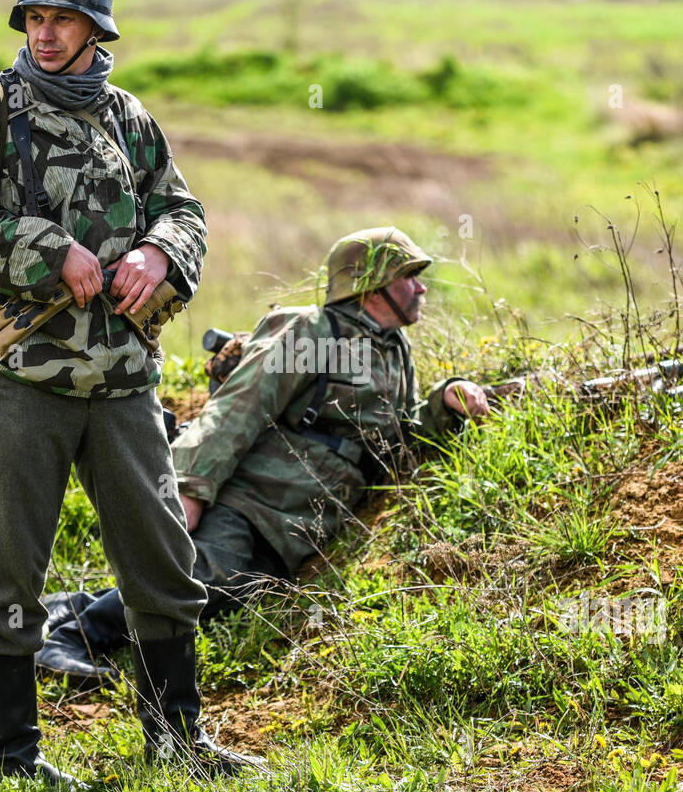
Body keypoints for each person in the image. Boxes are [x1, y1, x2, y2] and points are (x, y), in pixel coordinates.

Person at [0, 0, 257, 784]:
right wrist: (48, 250)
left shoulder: (130, 119)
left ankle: (176, 741)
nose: (44, 30)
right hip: (20, 378)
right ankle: (14, 759)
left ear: (96, 32)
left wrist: (158, 252)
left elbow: (185, 210)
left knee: (162, 559)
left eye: (62, 19)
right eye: (33, 17)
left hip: (122, 380)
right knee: (8, 570)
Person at [37, 226, 490, 682]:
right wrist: (190, 491)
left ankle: (70, 607)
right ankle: (74, 638)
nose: (420, 287)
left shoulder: (394, 351)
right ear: (371, 284)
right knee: (206, 576)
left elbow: (395, 444)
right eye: (408, 276)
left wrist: (445, 402)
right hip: (250, 500)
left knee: (226, 592)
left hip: (295, 522)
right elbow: (238, 409)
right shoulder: (310, 331)